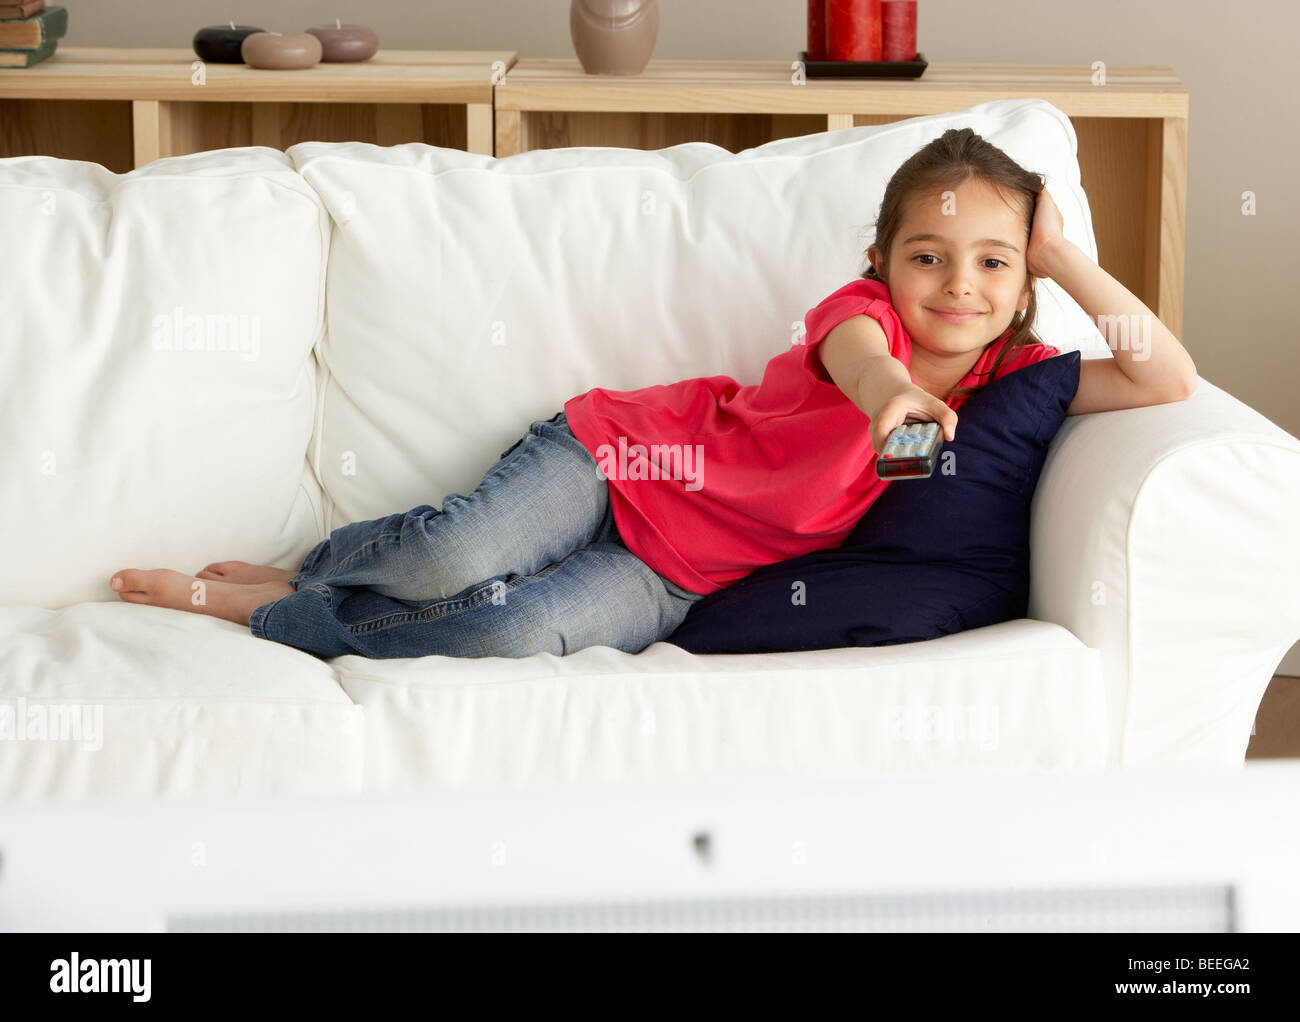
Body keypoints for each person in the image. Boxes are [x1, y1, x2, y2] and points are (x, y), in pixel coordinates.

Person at [109, 127, 1197, 659]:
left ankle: (285, 612)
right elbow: (863, 362)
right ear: (885, 260)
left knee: (507, 635)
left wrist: (1063, 258)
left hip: (674, 570)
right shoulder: (855, 318)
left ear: (1019, 286)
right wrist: (890, 401)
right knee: (448, 554)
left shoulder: (1019, 377)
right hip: (621, 457)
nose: (957, 282)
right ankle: (310, 563)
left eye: (993, 263)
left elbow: (1164, 375)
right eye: (928, 255)